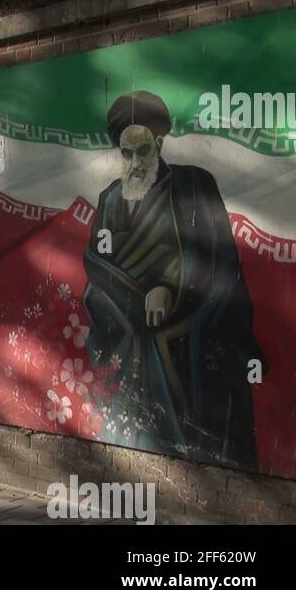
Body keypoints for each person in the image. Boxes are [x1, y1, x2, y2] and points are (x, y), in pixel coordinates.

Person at [82, 90, 263, 470]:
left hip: (188, 337)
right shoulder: (109, 199)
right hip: (128, 337)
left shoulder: (193, 185)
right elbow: (97, 265)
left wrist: (170, 287)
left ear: (160, 145)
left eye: (143, 151)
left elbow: (216, 258)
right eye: (126, 154)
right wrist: (127, 299)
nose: (135, 164)